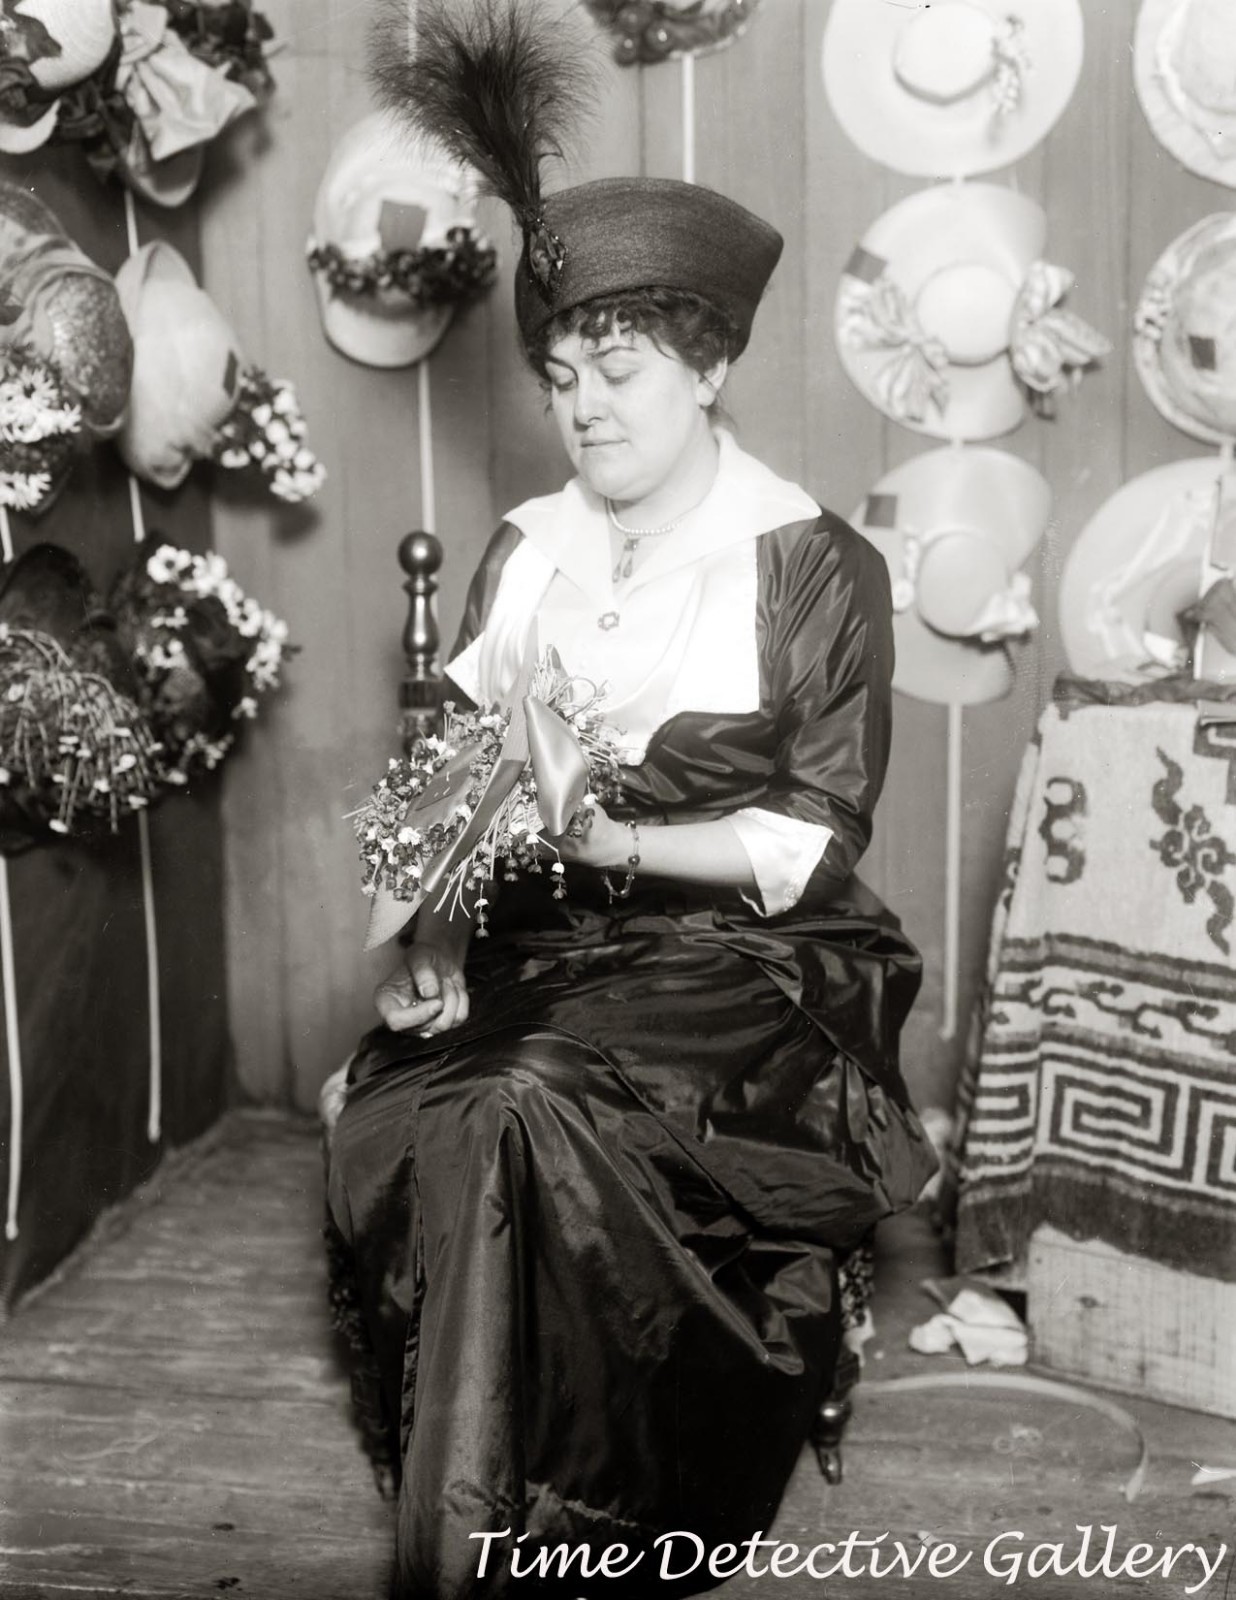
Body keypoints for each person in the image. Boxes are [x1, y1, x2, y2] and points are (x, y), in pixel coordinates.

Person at [325, 5, 937, 1596]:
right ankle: (495, 1495)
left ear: (714, 367)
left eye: (623, 370)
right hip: (547, 942)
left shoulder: (810, 562)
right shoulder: (529, 548)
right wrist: (429, 937)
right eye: (562, 373)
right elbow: (454, 782)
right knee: (431, 1096)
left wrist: (615, 840)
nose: (586, 405)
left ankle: (553, 1537)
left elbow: (808, 838)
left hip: (748, 962)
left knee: (526, 1101)